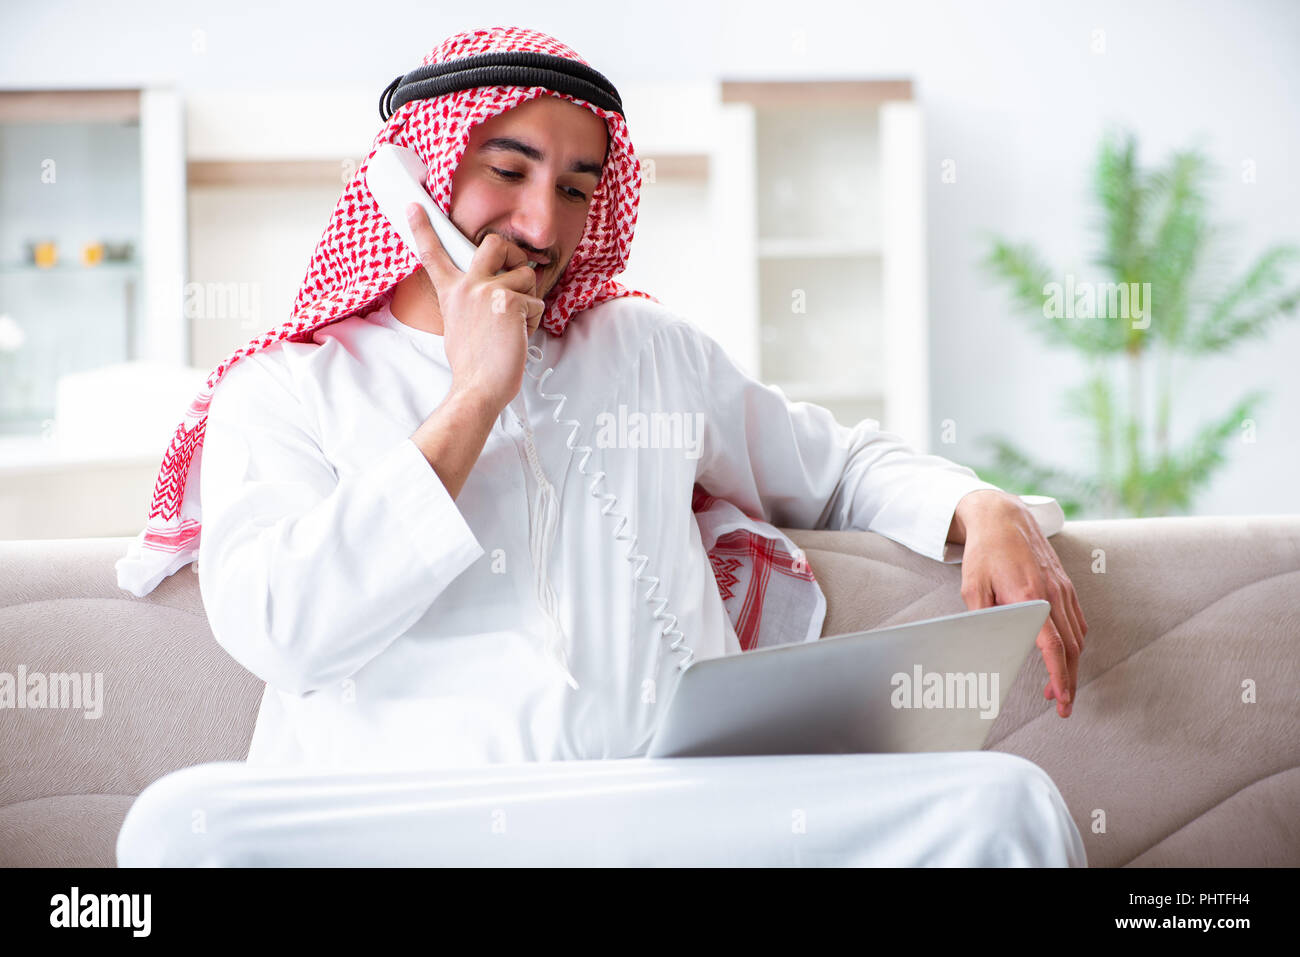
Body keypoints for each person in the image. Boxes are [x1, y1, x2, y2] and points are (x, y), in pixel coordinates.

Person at [114, 25, 1086, 867]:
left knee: (1004, 803)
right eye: (507, 170)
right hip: (410, 827)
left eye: (577, 188)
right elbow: (286, 633)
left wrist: (978, 506)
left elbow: (836, 470)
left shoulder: (642, 350)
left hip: (666, 815)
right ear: (410, 171)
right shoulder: (285, 389)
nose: (543, 224)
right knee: (179, 829)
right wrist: (474, 398)